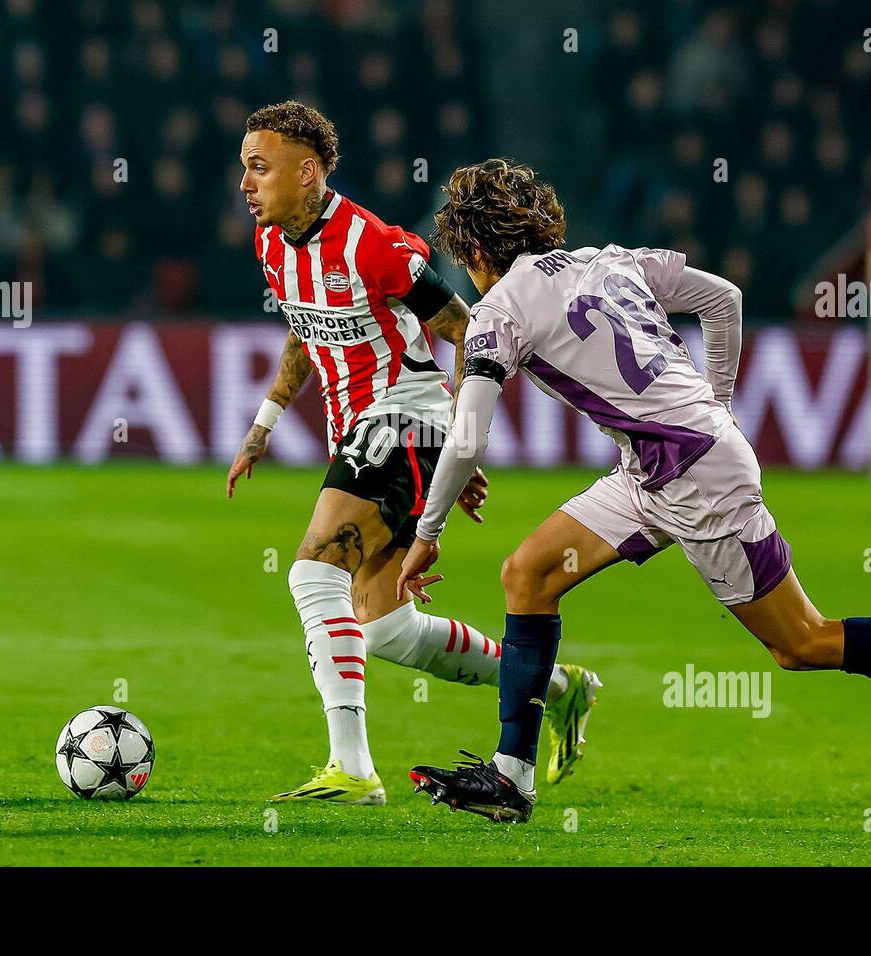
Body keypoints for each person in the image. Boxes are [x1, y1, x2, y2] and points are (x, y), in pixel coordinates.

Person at [398, 159, 871, 823]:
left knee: (800, 643)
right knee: (528, 574)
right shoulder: (608, 260)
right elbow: (724, 300)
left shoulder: (496, 313)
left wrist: (426, 535)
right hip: (659, 466)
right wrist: (717, 404)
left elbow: (467, 437)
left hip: (694, 478)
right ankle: (512, 777)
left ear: (475, 251)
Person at [227, 107, 600, 805]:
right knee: (388, 626)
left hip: (402, 416)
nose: (246, 182)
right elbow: (306, 332)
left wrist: (456, 439)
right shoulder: (271, 243)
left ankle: (354, 769)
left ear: (307, 171)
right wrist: (265, 423)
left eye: (260, 166)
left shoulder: (374, 245)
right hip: (367, 433)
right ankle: (558, 685)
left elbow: (469, 330)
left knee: (313, 573)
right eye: (246, 165)